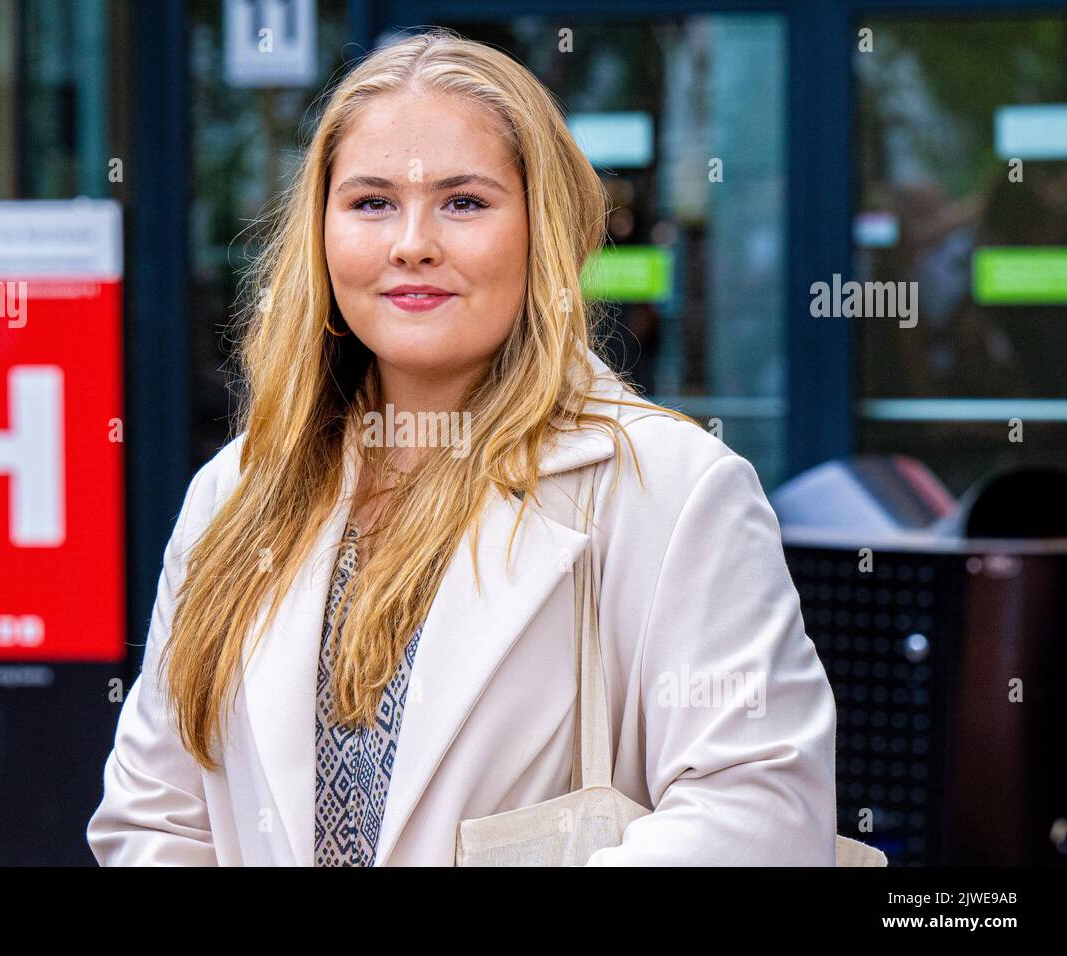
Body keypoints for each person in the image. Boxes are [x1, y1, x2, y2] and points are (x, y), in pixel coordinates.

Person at [87, 27, 836, 866]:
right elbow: (155, 822)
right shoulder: (235, 492)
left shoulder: (672, 489)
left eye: (464, 202)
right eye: (371, 202)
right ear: (322, 234)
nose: (413, 242)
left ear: (540, 231)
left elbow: (759, 817)